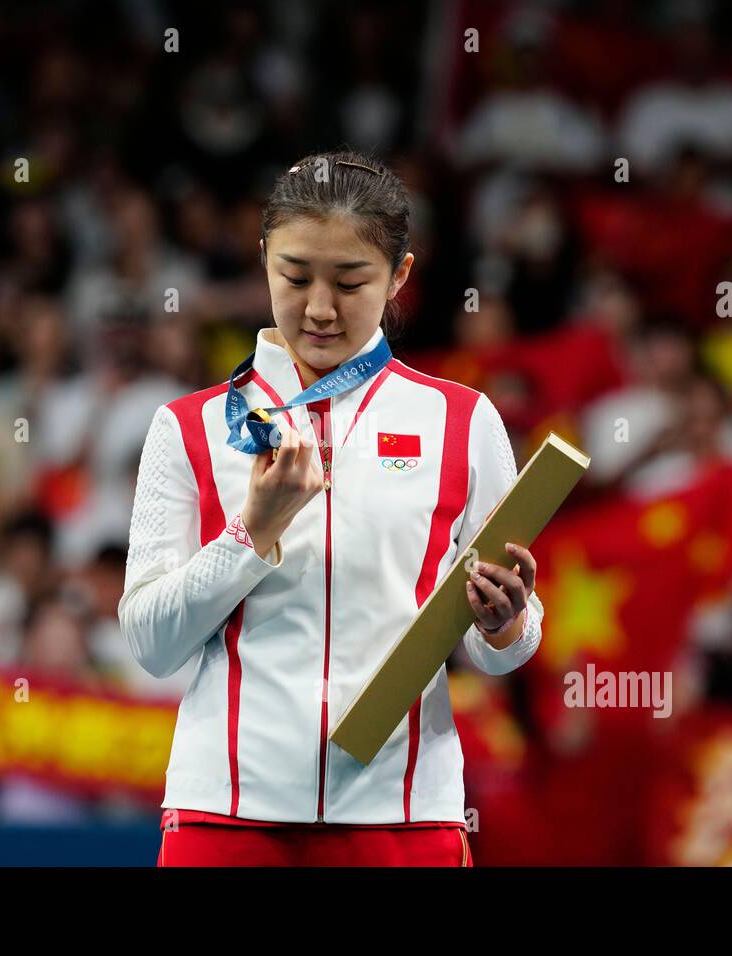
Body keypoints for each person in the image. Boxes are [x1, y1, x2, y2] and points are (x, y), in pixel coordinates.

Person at [118, 150, 546, 866]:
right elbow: (151, 646)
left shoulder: (463, 423)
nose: (319, 308)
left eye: (351, 281)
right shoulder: (188, 428)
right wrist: (251, 534)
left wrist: (505, 627)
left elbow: (498, 650)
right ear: (261, 260)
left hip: (404, 819)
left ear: (400, 275)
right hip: (226, 819)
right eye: (294, 276)